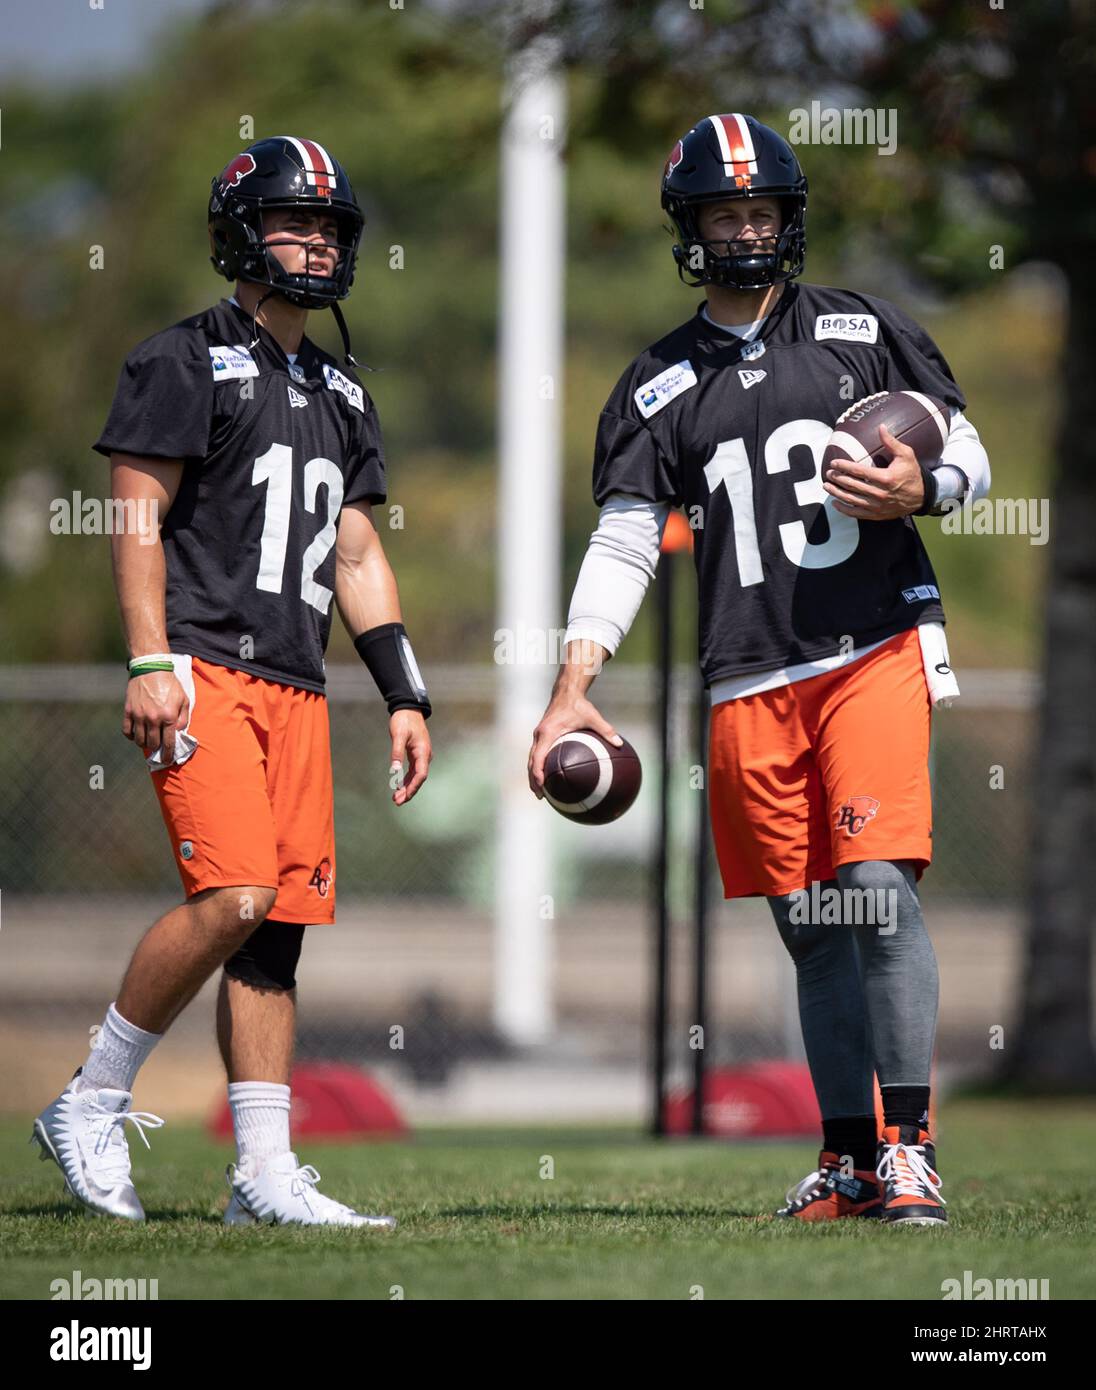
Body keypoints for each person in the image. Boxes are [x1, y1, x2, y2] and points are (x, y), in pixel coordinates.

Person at [528, 113, 991, 1225]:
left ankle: (911, 1148)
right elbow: (628, 538)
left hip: (868, 643)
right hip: (745, 676)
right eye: (726, 212)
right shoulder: (655, 382)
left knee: (874, 891)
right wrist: (571, 681)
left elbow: (965, 450)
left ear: (790, 218)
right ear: (689, 227)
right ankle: (845, 1161)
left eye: (763, 210)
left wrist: (918, 491)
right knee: (811, 927)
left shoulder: (861, 327)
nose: (747, 228)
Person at [32, 136, 432, 1228]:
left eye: (330, 226)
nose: (314, 241)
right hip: (205, 665)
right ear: (241, 233)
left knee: (275, 933)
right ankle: (93, 1096)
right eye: (293, 221)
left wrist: (403, 692)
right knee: (235, 894)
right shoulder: (181, 358)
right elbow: (135, 513)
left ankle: (262, 1173)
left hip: (298, 681)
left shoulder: (342, 385)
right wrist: (149, 657)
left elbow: (353, 554)